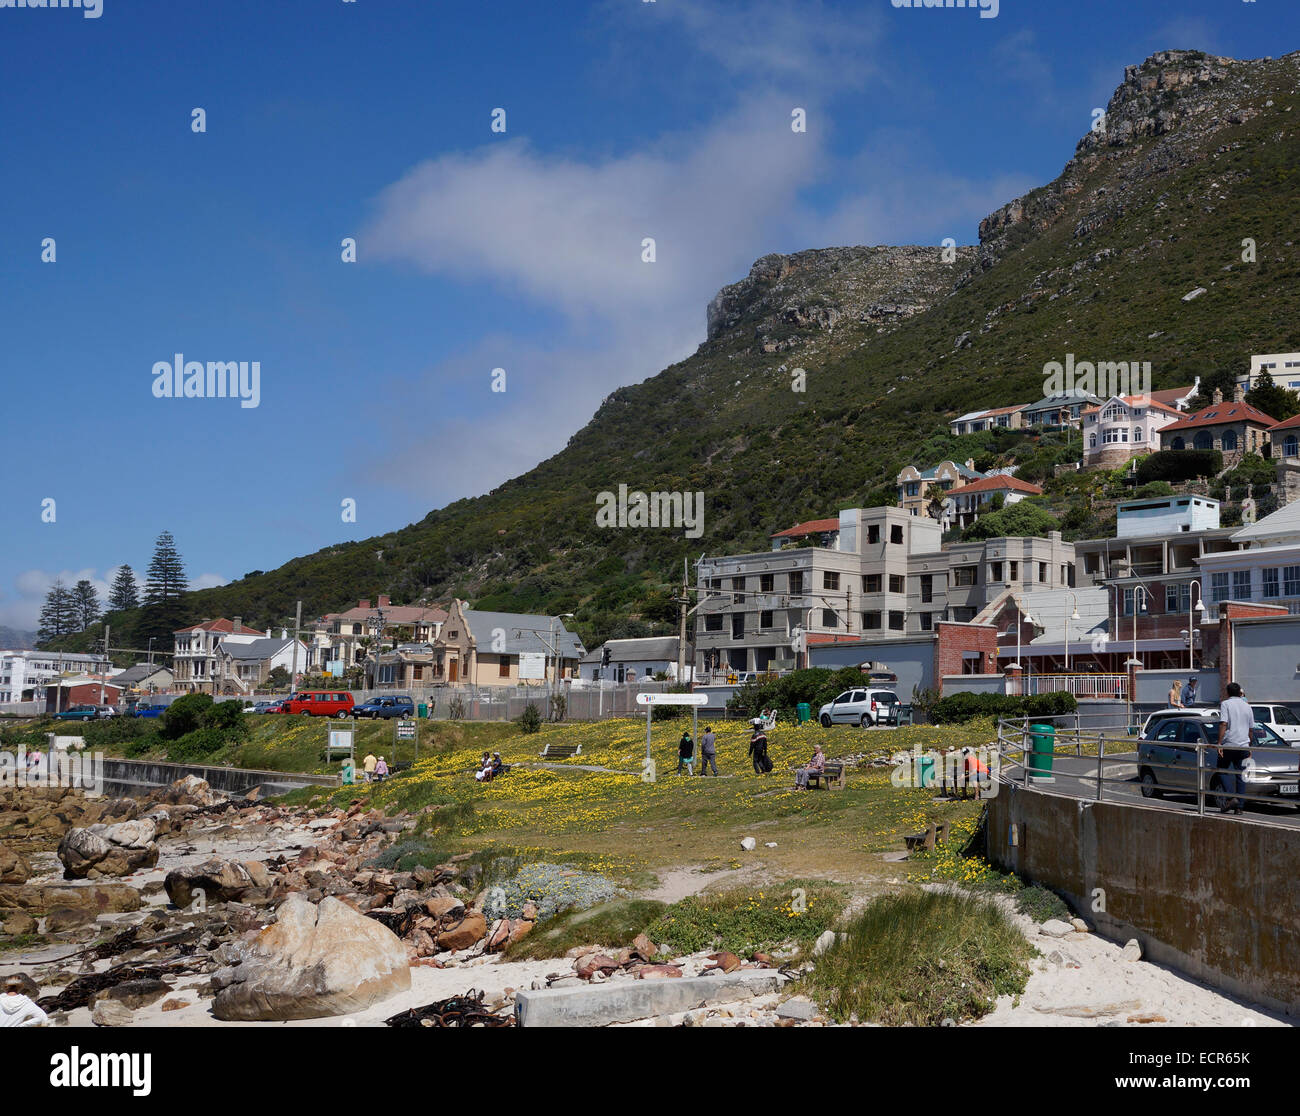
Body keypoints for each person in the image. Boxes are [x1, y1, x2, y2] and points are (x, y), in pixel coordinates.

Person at [1217, 681, 1253, 815]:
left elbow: (1223, 724)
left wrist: (1219, 743)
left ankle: (1232, 798)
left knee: (1221, 770)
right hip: (1243, 744)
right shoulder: (1247, 706)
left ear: (1227, 692)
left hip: (1229, 743)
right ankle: (1239, 807)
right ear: (1239, 693)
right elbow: (1251, 729)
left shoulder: (1225, 704)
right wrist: (1250, 745)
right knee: (1241, 775)